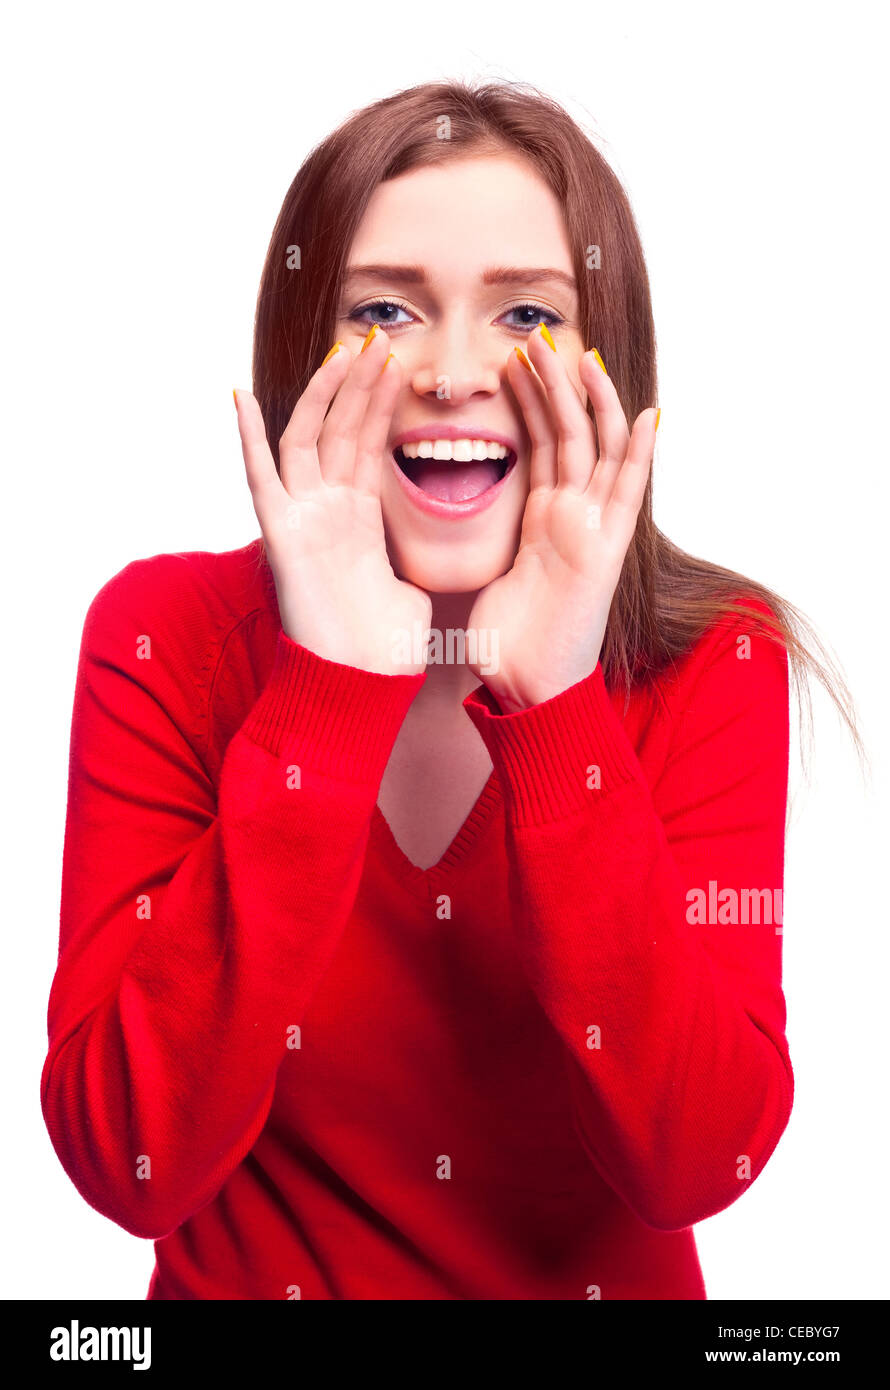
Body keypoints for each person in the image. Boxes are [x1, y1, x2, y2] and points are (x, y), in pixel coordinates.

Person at [41, 79, 860, 1300]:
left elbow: (697, 1158)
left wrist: (556, 707)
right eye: (382, 309)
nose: (451, 371)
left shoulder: (713, 658)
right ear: (298, 356)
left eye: (526, 312)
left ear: (607, 365)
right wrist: (328, 688)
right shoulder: (162, 636)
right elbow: (129, 1162)